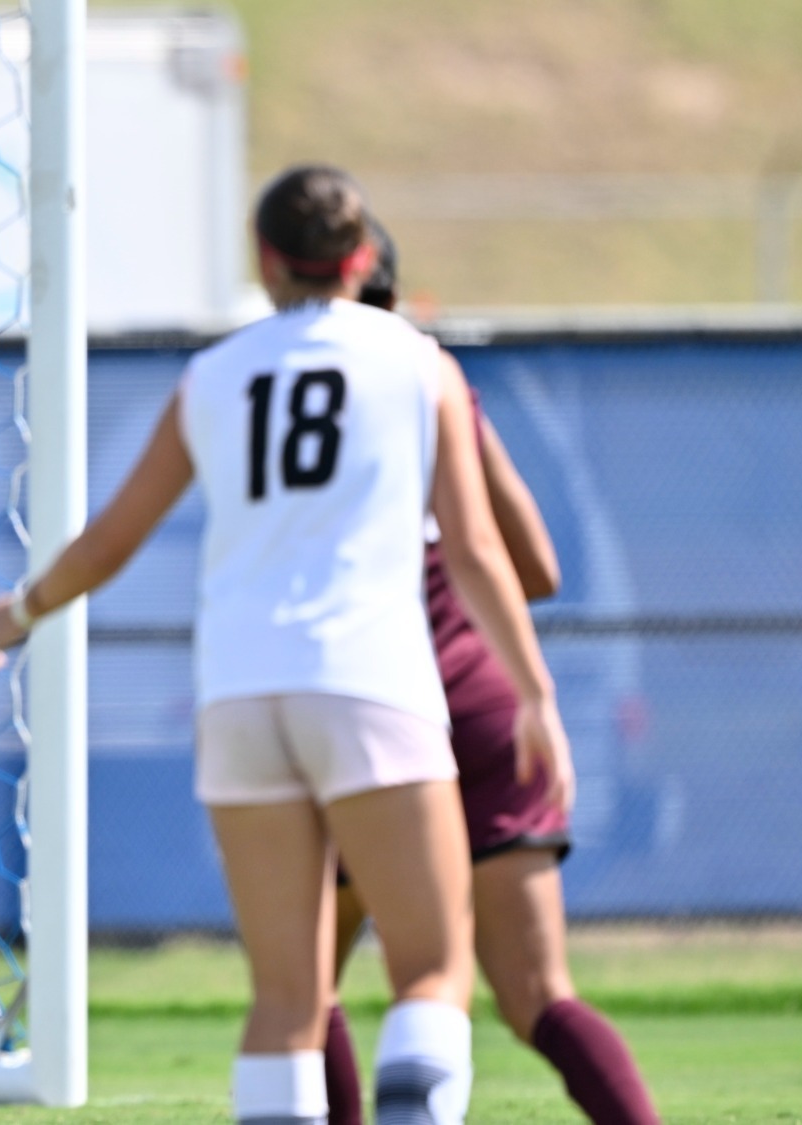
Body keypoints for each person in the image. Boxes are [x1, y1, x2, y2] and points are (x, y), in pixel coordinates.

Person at [0, 165, 573, 1125]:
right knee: (432, 965)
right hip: (369, 680)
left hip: (241, 694)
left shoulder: (217, 372)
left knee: (287, 999)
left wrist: (24, 608)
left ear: (263, 259)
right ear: (364, 257)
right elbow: (472, 547)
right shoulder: (418, 363)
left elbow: (114, 536)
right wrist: (535, 692)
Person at [320, 221, 659, 1125]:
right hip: (481, 705)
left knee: (301, 985)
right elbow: (537, 568)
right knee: (542, 995)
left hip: (369, 713)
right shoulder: (437, 381)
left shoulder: (275, 390)